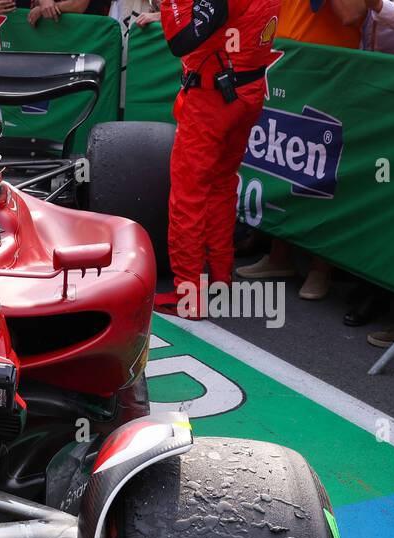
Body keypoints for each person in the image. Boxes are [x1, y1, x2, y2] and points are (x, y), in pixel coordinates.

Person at [156, 0, 281, 319]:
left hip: (213, 96)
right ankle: (221, 279)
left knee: (189, 194)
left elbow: (180, 39)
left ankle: (188, 296)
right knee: (222, 185)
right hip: (247, 92)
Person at [235, 0, 367, 300]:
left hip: (330, 70)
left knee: (323, 169)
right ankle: (279, 256)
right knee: (282, 166)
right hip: (289, 63)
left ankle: (321, 269)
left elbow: (352, 13)